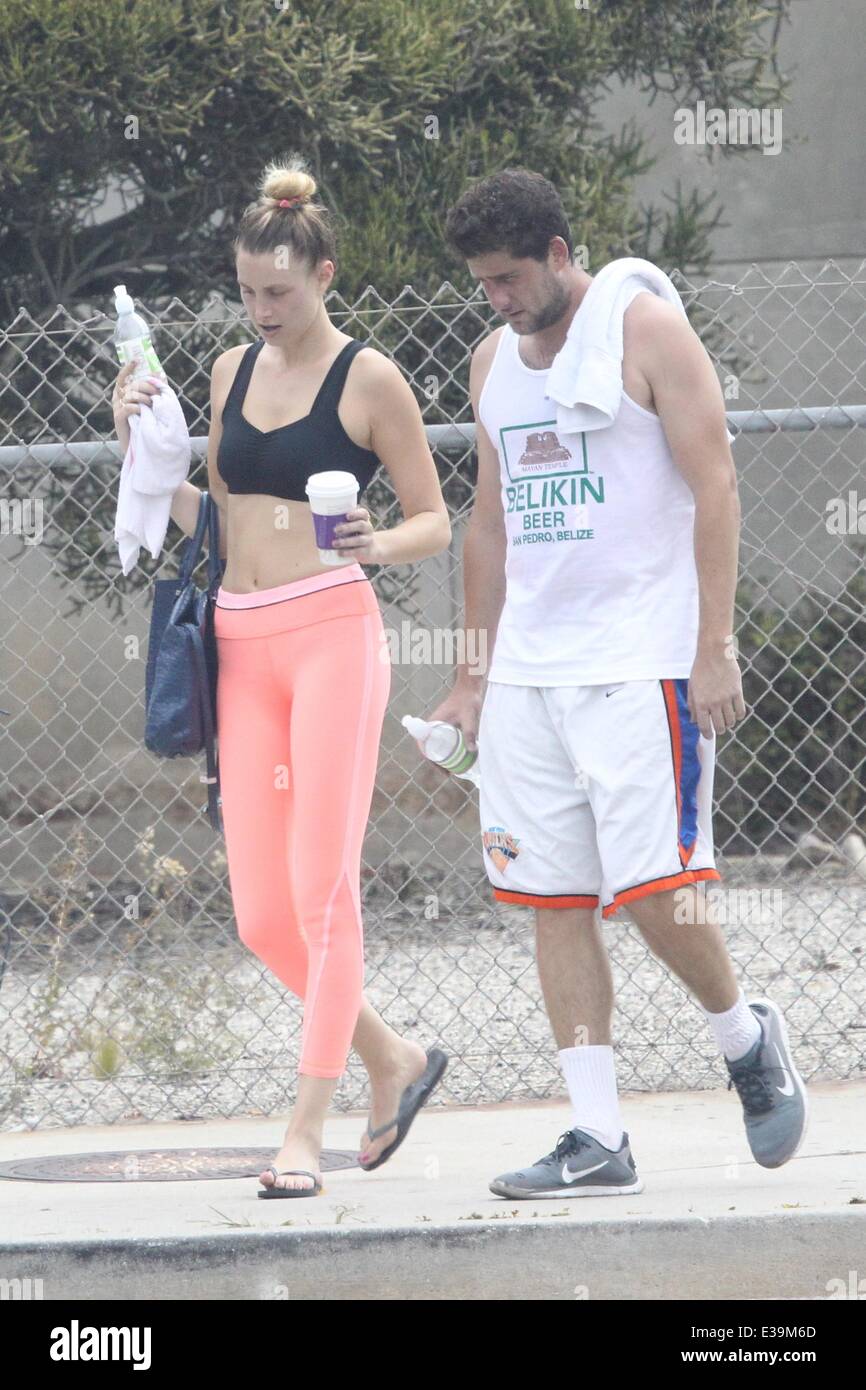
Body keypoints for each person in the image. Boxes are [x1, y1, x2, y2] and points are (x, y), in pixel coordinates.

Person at [431, 167, 807, 1199]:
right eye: (482, 284)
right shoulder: (488, 364)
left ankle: (742, 1037)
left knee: (650, 890)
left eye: (509, 278)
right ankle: (595, 1134)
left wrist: (713, 643)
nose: (497, 299)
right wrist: (471, 677)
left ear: (557, 253)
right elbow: (491, 524)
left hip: (639, 658)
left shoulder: (647, 332)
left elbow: (714, 481)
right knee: (551, 897)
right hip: (530, 676)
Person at [112, 155, 451, 1197]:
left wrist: (373, 543)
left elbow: (436, 519)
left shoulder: (370, 378)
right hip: (238, 634)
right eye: (247, 291)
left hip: (330, 633)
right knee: (260, 911)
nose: (260, 311)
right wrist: (143, 446)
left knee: (321, 887)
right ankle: (391, 1058)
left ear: (324, 276)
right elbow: (213, 518)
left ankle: (305, 1125)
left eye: (279, 292)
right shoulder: (226, 371)